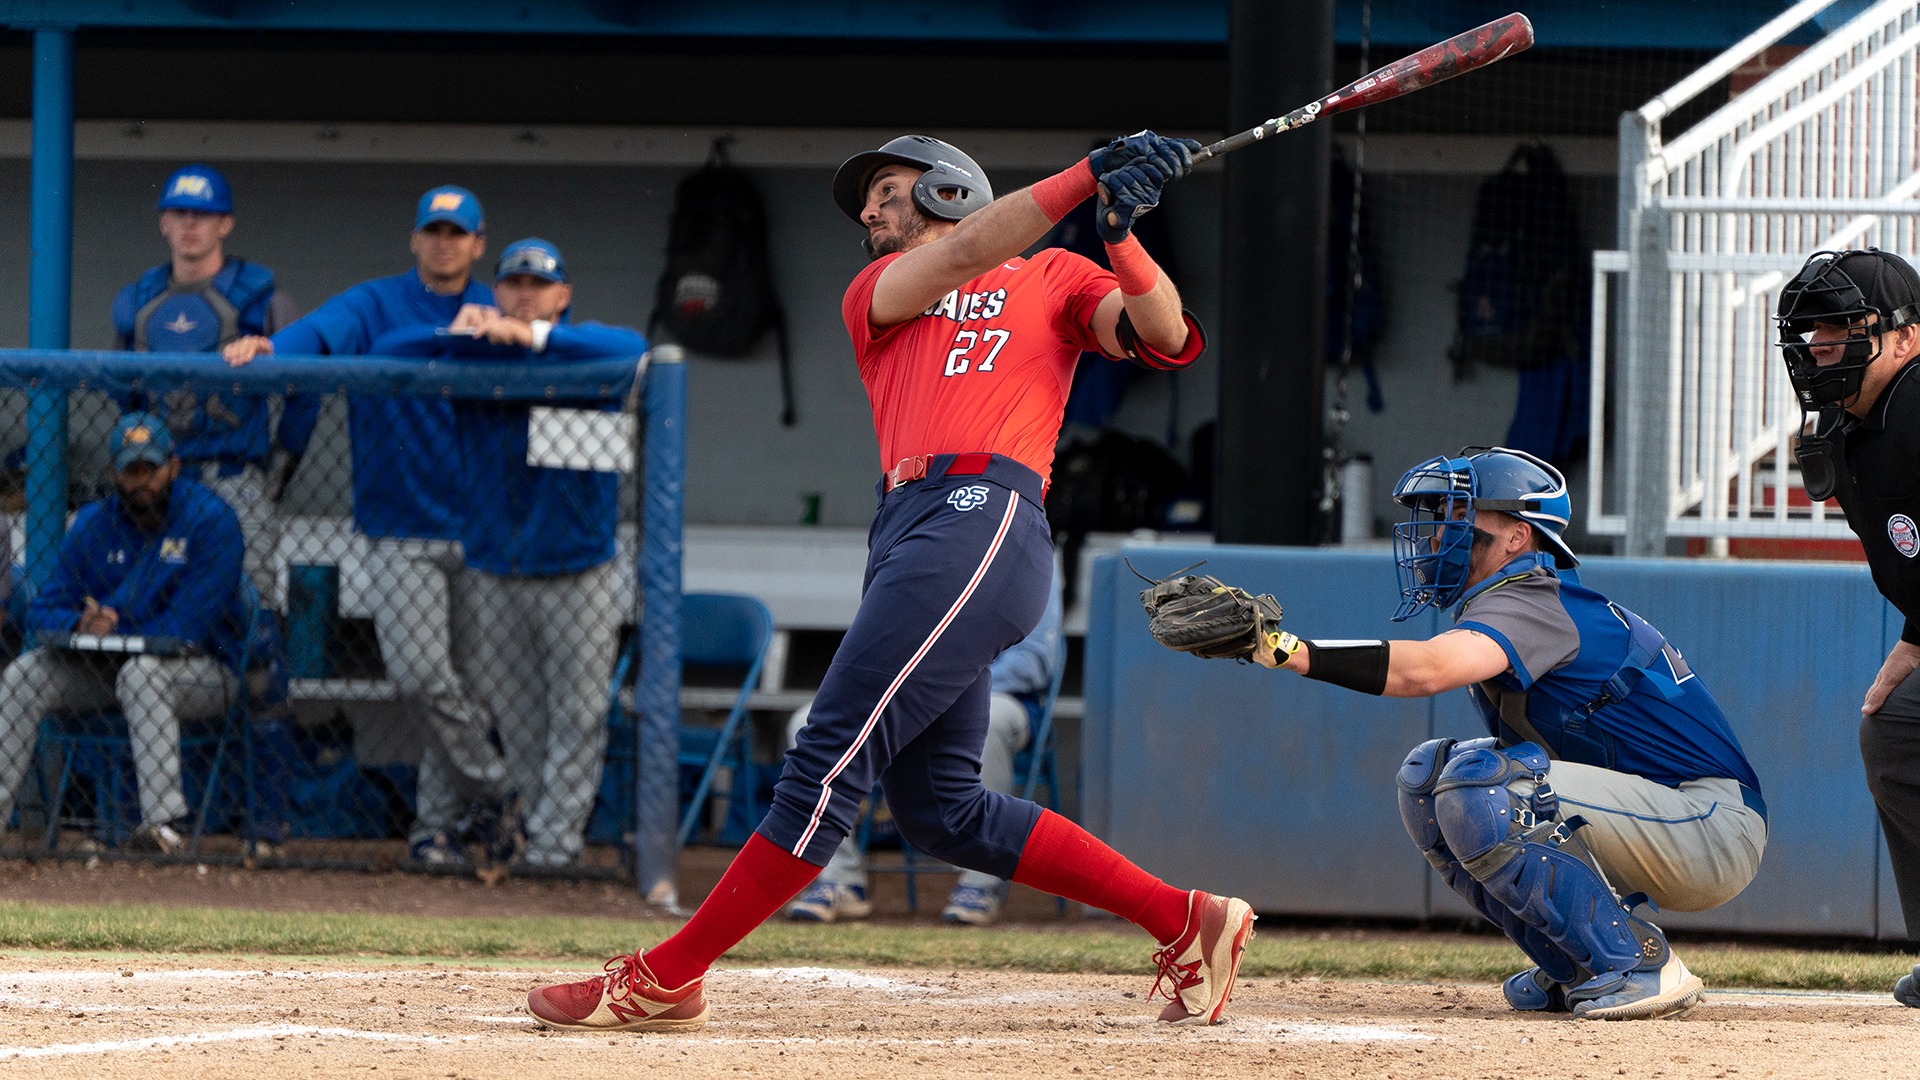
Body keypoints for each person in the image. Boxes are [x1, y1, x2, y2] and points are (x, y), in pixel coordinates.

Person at [528, 131, 1254, 1034]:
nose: (868, 209)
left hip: (982, 513)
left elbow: (1165, 333)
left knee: (826, 759)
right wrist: (1085, 177)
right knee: (943, 811)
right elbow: (961, 253)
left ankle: (667, 975)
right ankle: (1188, 919)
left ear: (951, 188)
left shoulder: (1051, 279)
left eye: (887, 189)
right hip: (908, 527)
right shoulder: (877, 293)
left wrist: (1118, 233)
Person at [1221, 446, 1766, 1020]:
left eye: (1460, 516)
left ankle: (1638, 964)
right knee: (1428, 782)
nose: (1438, 535)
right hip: (1662, 814)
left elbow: (1425, 670)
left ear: (1517, 537)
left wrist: (1284, 649)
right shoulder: (1512, 600)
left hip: (1711, 825)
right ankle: (1572, 962)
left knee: (1483, 787)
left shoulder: (1534, 599)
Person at [222, 186, 518, 867]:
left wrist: (499, 329)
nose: (444, 242)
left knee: (469, 687)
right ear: (415, 239)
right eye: (433, 231)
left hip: (485, 531)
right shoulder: (375, 303)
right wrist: (274, 345)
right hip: (399, 527)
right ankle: (499, 788)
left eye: (458, 233)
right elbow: (321, 333)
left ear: (477, 245)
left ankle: (436, 828)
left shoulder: (500, 310)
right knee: (420, 677)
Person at [367, 238, 640, 868]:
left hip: (579, 566)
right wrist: (454, 330)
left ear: (562, 296)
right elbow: (385, 353)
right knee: (518, 719)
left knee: (577, 714)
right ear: (495, 293)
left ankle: (555, 845)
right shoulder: (475, 350)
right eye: (514, 284)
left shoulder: (585, 347)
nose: (525, 295)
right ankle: (533, 841)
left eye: (539, 285)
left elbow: (637, 352)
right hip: (495, 566)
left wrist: (539, 340)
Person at [1775, 248, 1920, 1007]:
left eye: (1845, 329)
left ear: (1909, 339)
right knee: (1897, 728)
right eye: (1814, 333)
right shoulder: (1850, 423)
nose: (1823, 348)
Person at [0, 413, 249, 853]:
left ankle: (161, 827)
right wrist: (77, 624)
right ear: (113, 471)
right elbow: (43, 610)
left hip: (205, 671)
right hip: (104, 670)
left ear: (173, 465)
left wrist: (118, 621)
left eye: (150, 469)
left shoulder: (212, 521)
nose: (142, 482)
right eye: (130, 470)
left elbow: (186, 630)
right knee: (25, 675)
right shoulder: (95, 523)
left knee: (143, 674)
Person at [786, 561, 1063, 926]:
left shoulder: (1026, 549)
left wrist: (946, 686)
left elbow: (1036, 661)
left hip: (997, 693)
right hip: (909, 691)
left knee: (990, 722)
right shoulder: (919, 539)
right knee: (804, 722)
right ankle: (839, 879)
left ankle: (980, 885)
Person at [111, 163, 314, 606]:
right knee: (157, 605)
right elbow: (124, 397)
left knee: (247, 608)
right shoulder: (139, 302)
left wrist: (279, 469)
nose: (189, 223)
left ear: (225, 224)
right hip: (161, 483)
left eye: (202, 214)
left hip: (236, 478)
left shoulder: (263, 298)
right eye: (179, 212)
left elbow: (307, 389)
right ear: (163, 222)